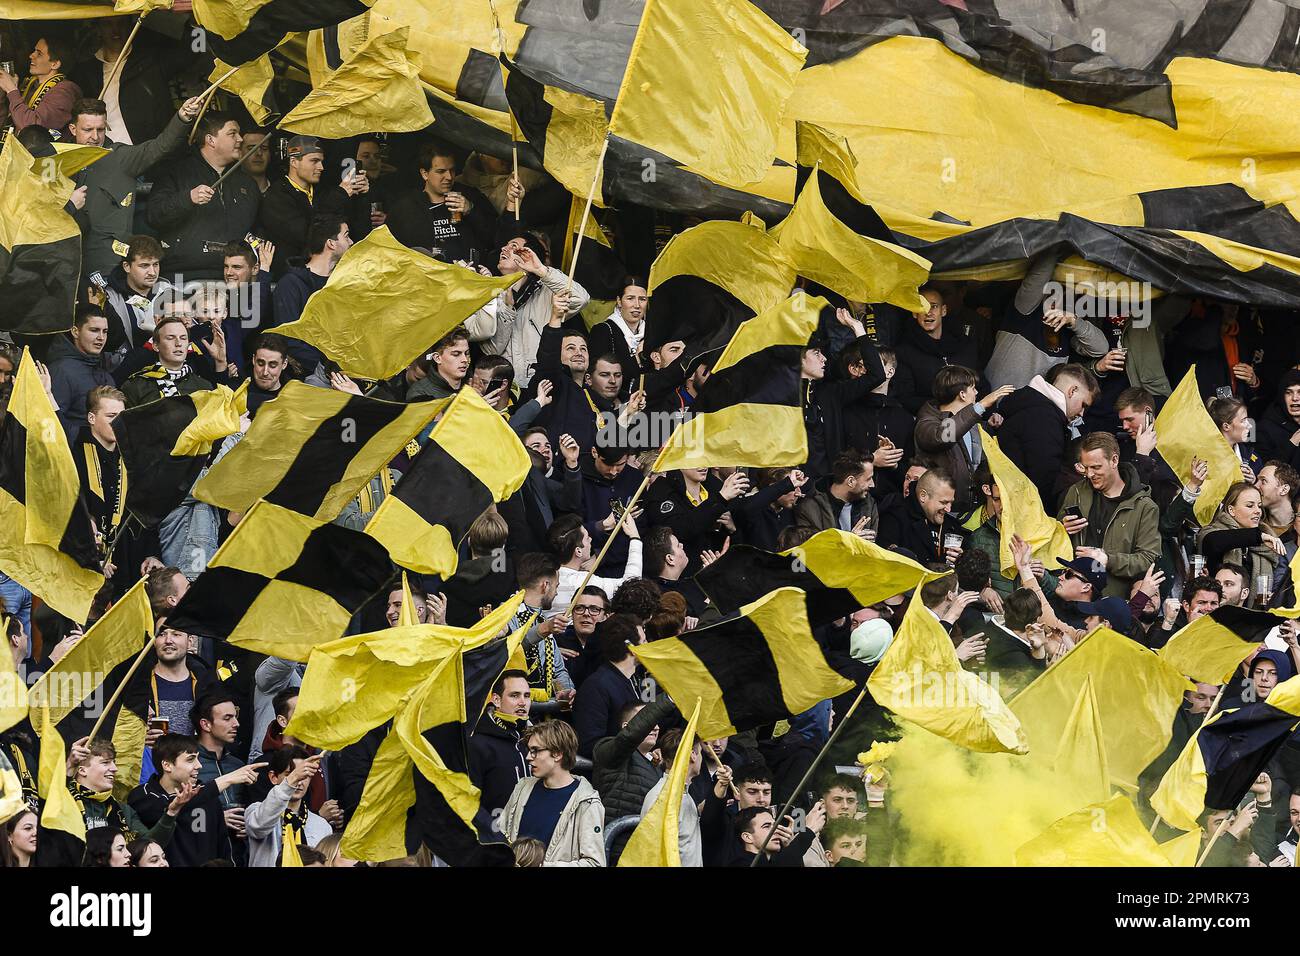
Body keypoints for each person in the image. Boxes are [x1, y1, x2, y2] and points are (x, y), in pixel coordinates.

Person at [148, 111, 261, 281]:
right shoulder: (177, 172)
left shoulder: (247, 183)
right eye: (232, 134)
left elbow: (257, 229)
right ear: (210, 140)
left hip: (235, 280)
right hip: (182, 277)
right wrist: (188, 198)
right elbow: (154, 215)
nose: (240, 139)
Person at [127, 733, 261, 867]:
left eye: (198, 758)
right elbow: (171, 806)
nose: (199, 766)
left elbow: (224, 847)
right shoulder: (143, 796)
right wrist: (227, 779)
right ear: (167, 765)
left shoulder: (207, 797)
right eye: (190, 760)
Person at [1057, 432, 1161, 598]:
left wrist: (1107, 560)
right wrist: (1061, 528)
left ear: (1114, 460)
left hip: (1112, 599)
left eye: (1096, 467)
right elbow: (1055, 542)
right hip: (1074, 597)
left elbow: (1147, 559)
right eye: (1086, 467)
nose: (1090, 474)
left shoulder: (1144, 506)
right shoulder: (1076, 492)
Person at [485, 235, 590, 387]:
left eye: (513, 246)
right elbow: (492, 350)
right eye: (505, 245)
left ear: (528, 256)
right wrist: (507, 309)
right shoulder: (491, 294)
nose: (504, 248)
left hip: (541, 386)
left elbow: (581, 299)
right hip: (504, 388)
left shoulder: (546, 293)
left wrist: (541, 270)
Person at [500, 721, 606, 867]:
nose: (528, 757)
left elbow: (595, 863)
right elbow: (500, 838)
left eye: (535, 750)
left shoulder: (587, 802)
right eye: (529, 750)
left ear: (557, 754)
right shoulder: (522, 788)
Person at [257, 135, 366, 277]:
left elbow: (351, 230)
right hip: (291, 280)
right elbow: (309, 236)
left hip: (328, 276)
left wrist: (363, 195)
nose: (321, 167)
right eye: (314, 161)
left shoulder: (323, 191)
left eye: (321, 161)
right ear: (294, 161)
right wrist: (340, 195)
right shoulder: (276, 196)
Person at [913, 365, 1014, 519]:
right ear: (962, 394)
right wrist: (981, 406)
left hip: (973, 510)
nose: (977, 393)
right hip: (944, 511)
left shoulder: (971, 423)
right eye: (973, 388)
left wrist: (989, 426)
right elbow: (944, 436)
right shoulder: (927, 421)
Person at [996, 362, 1099, 510]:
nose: (1082, 413)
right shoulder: (1046, 419)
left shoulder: (1026, 403)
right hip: (1024, 509)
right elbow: (1044, 480)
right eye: (1083, 404)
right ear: (1072, 391)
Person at [386, 140, 499, 264]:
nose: (449, 177)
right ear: (425, 174)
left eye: (452, 170)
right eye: (441, 171)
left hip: (470, 275)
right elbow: (390, 251)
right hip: (428, 277)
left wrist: (471, 210)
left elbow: (496, 238)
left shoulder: (471, 196)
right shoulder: (406, 207)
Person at [267, 218, 352, 372]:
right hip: (311, 375)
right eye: (346, 236)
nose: (351, 242)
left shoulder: (344, 282)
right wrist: (328, 368)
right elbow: (288, 338)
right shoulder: (291, 284)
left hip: (348, 371)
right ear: (331, 243)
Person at [891, 285, 984, 414]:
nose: (928, 312)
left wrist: (989, 412)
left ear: (943, 310)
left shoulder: (965, 345)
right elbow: (905, 398)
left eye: (934, 306)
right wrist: (947, 406)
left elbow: (982, 384)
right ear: (914, 312)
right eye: (922, 307)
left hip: (973, 417)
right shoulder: (904, 352)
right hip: (932, 422)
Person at [593, 696, 676, 840]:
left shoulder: (656, 763)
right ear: (626, 727)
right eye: (648, 721)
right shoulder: (609, 750)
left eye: (656, 723)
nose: (656, 727)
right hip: (615, 847)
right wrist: (667, 700)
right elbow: (628, 738)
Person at [1198, 483, 1287, 606]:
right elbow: (1213, 542)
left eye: (1259, 506)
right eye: (1250, 506)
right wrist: (1258, 537)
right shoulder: (1212, 533)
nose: (1257, 511)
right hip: (1216, 613)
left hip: (1252, 617)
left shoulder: (1268, 537)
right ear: (1231, 510)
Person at [571, 615, 645, 760]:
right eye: (644, 641)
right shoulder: (596, 686)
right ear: (631, 647)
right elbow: (589, 743)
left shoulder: (642, 681)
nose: (648, 645)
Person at [469, 669, 532, 833]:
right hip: (493, 844)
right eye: (514, 695)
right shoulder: (477, 743)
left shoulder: (533, 740)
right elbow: (467, 801)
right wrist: (495, 832)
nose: (522, 702)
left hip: (529, 841)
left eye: (526, 696)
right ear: (496, 700)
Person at [243, 747, 328, 867]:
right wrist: (291, 781)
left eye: (304, 775)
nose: (299, 781)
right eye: (291, 774)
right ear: (273, 777)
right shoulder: (255, 811)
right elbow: (259, 826)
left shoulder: (321, 825)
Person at [548, 511, 643, 617]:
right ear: (578, 551)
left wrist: (604, 524)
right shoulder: (584, 582)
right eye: (587, 538)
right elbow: (632, 586)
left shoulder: (545, 579)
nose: (591, 539)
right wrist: (635, 538)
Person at [119, 316, 223, 407]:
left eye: (183, 338)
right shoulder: (135, 387)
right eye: (170, 338)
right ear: (155, 345)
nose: (178, 343)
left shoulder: (204, 386)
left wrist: (221, 362)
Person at [48, 305, 116, 439]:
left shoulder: (103, 371)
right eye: (94, 330)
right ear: (75, 331)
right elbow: (51, 421)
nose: (101, 337)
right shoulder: (61, 370)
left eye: (105, 331)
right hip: (73, 454)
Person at [640, 727, 705, 866]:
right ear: (693, 754)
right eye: (700, 753)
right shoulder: (662, 799)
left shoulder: (682, 793)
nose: (701, 758)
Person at [878, 468, 966, 565]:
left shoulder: (953, 525)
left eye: (951, 502)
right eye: (943, 502)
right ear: (923, 496)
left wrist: (961, 560)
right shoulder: (894, 519)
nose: (948, 509)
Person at [0, 36, 81, 132]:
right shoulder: (29, 85)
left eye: (39, 54)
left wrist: (11, 90)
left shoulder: (64, 92)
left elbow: (31, 129)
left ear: (54, 64)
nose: (31, 56)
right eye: (34, 51)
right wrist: (3, 94)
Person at [587, 277, 648, 399]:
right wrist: (638, 357)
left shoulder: (651, 333)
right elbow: (600, 376)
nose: (637, 305)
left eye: (642, 299)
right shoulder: (603, 331)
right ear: (619, 301)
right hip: (614, 404)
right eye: (630, 298)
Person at [795, 451, 878, 537]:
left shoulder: (868, 504)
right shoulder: (810, 508)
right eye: (868, 479)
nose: (872, 485)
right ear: (850, 481)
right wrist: (851, 540)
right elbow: (813, 547)